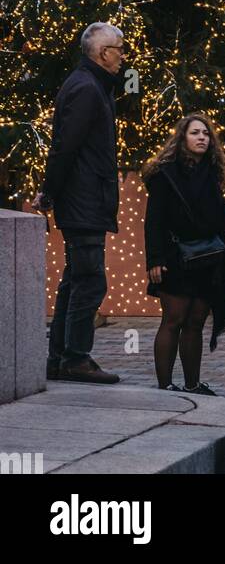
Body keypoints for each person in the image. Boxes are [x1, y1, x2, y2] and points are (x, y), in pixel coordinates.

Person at [35, 23, 125, 386]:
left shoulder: (88, 85)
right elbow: (65, 148)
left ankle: (59, 358)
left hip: (83, 199)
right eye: (120, 49)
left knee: (75, 280)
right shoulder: (88, 89)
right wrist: (49, 191)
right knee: (89, 280)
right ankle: (75, 357)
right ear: (103, 53)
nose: (124, 56)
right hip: (84, 200)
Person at [143, 114, 225, 393]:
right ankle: (166, 385)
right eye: (195, 133)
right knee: (174, 319)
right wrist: (155, 259)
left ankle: (193, 384)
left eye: (206, 134)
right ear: (182, 137)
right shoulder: (164, 174)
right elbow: (154, 220)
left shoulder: (213, 172)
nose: (202, 138)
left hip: (207, 259)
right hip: (174, 257)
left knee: (196, 321)